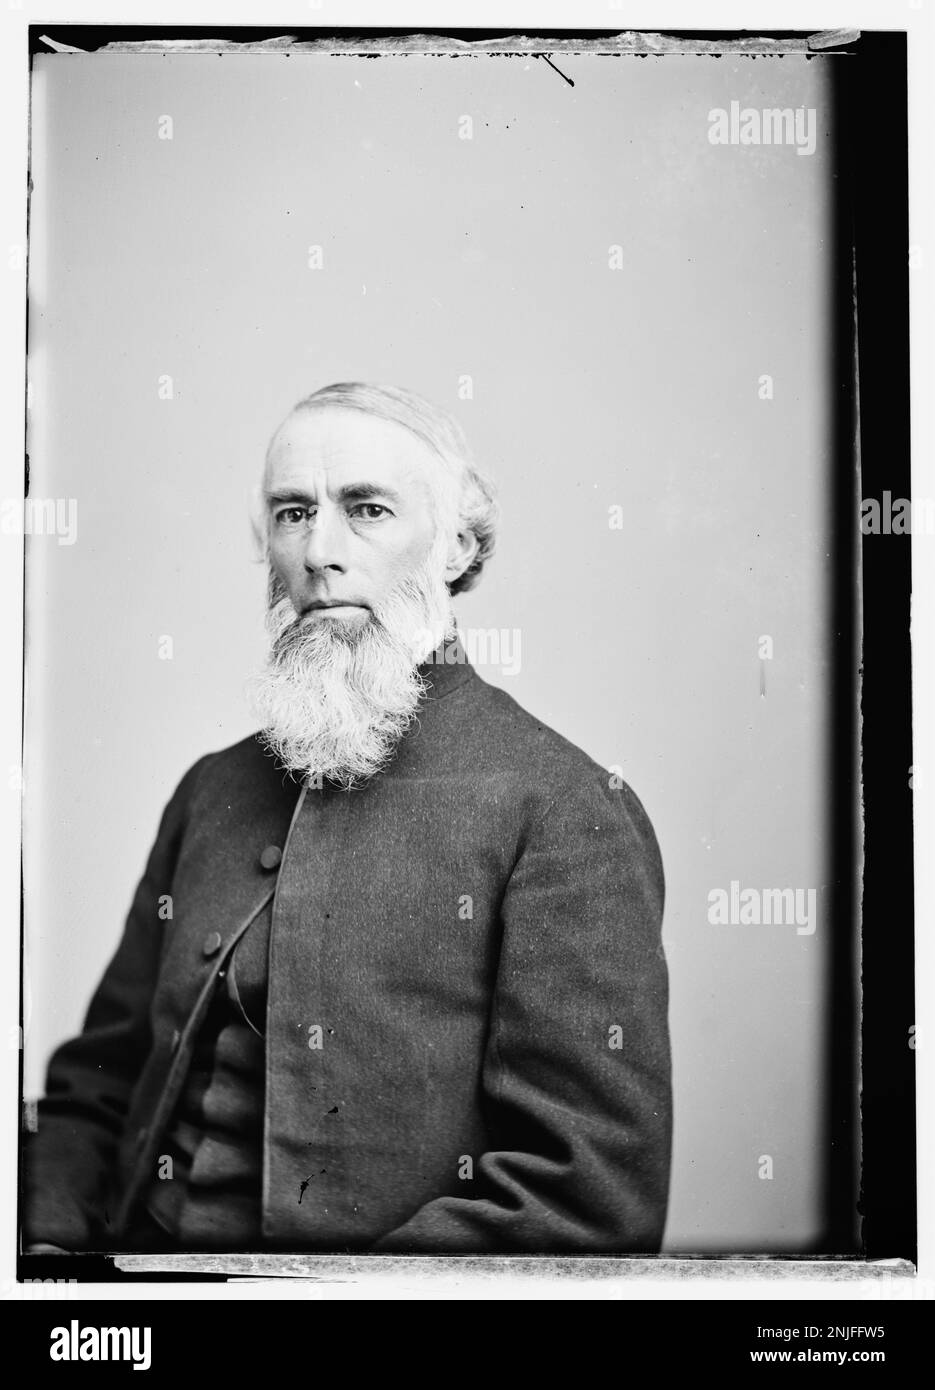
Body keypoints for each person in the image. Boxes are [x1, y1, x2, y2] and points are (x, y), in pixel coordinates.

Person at [23, 382, 671, 1255]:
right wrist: (50, 1258)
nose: (320, 551)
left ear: (455, 547)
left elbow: (584, 1195)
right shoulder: (211, 788)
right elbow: (94, 1086)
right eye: (292, 513)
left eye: (366, 509)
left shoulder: (561, 807)